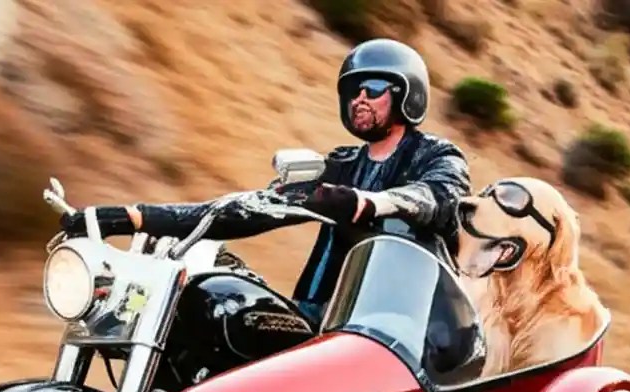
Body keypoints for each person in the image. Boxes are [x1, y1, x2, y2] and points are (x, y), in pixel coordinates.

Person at [59, 38, 472, 327]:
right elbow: (242, 210)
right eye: (353, 89)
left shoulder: (436, 156)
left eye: (375, 87)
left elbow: (435, 199)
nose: (360, 97)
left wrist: (365, 203)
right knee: (215, 307)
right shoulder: (338, 166)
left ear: (406, 95)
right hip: (317, 314)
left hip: (395, 328)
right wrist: (128, 218)